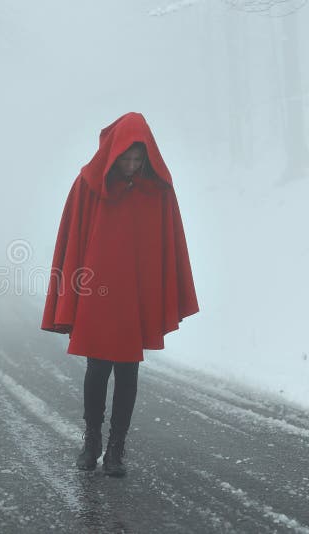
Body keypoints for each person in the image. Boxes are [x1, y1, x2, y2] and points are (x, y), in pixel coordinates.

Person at [40, 112, 199, 477]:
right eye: (125, 158)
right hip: (97, 293)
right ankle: (91, 441)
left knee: (128, 370)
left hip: (135, 294)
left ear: (147, 156)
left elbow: (168, 245)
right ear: (113, 154)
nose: (131, 166)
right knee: (97, 369)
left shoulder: (158, 189)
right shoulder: (87, 184)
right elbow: (74, 240)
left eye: (137, 159)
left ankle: (116, 449)